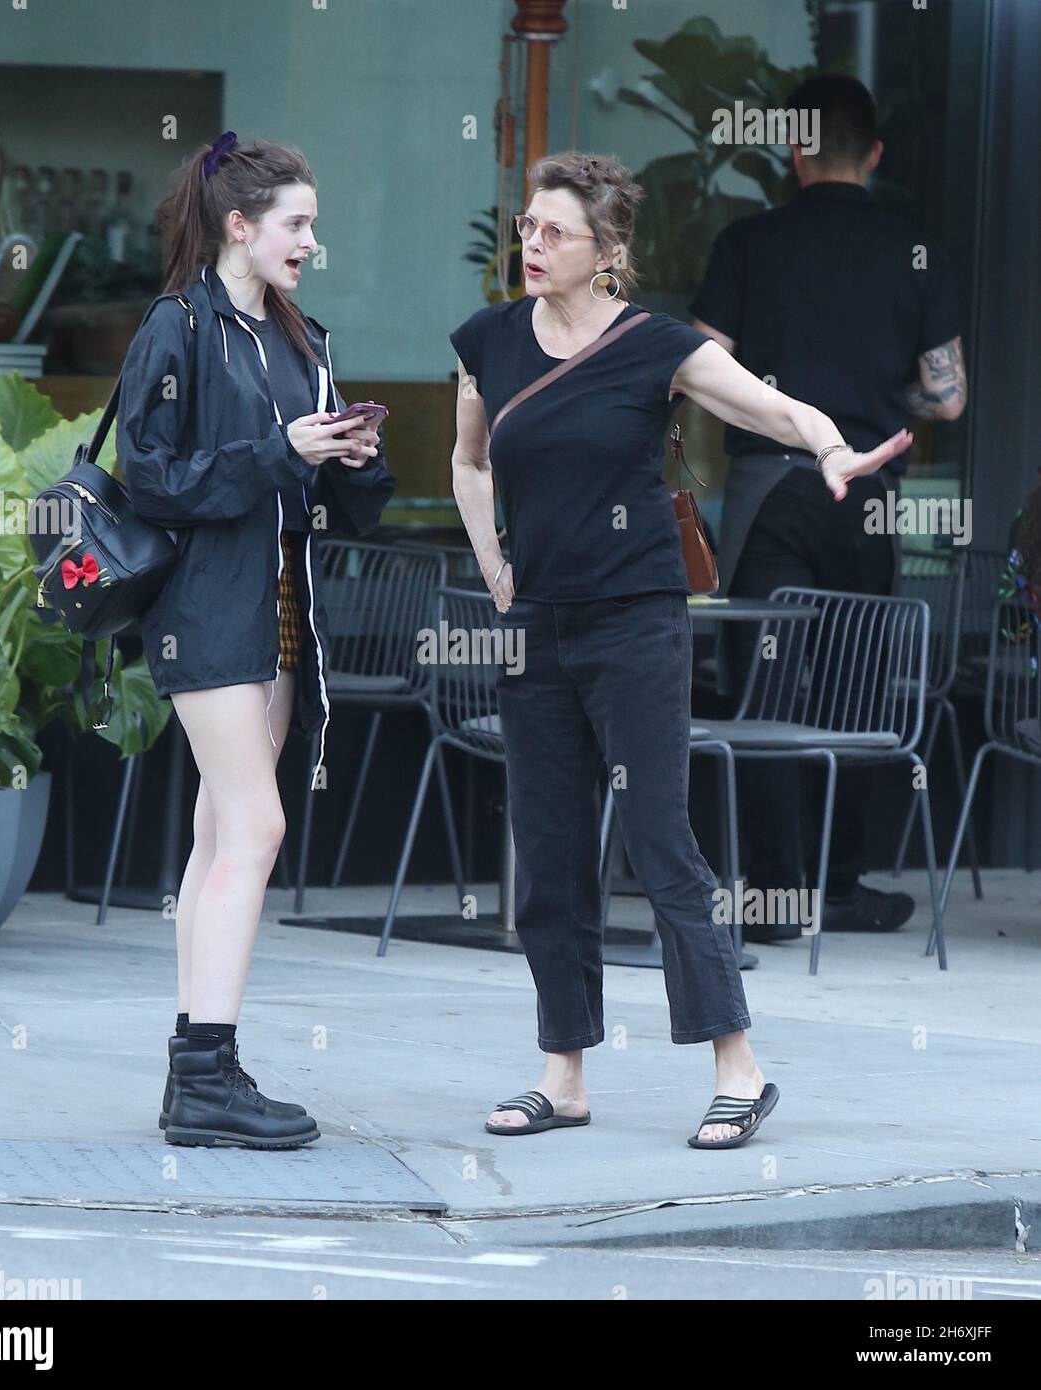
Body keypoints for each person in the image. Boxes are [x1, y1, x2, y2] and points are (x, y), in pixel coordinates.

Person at [449, 150, 912, 1146]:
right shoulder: (486, 339)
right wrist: (491, 559)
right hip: (534, 626)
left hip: (634, 617)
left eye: (553, 231)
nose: (531, 244)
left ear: (606, 250)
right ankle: (562, 1073)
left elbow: (764, 405)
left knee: (659, 839)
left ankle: (736, 1067)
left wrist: (829, 447)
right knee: (548, 852)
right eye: (526, 226)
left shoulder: (653, 344)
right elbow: (467, 458)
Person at [117, 134, 395, 1149]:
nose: (310, 243)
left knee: (218, 837)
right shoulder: (176, 327)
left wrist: (352, 457)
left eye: (311, 225)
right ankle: (207, 1074)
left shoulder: (302, 341)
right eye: (296, 224)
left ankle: (195, 1064)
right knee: (257, 828)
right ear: (239, 225)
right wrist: (275, 451)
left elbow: (343, 501)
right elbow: (150, 477)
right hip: (201, 606)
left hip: (281, 608)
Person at [690, 74, 967, 940]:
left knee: (764, 687)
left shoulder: (748, 241)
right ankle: (842, 886)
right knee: (854, 684)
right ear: (874, 154)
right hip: (869, 491)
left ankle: (772, 895)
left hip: (772, 485)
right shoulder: (910, 250)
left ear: (794, 147)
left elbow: (705, 366)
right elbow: (947, 396)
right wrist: (890, 407)